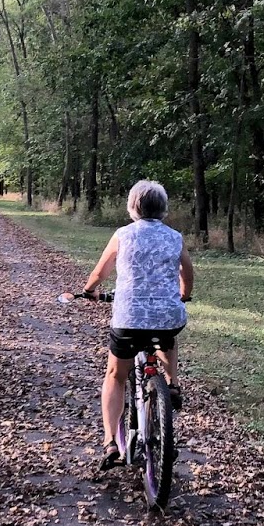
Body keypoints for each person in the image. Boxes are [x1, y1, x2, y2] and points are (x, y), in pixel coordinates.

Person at [77, 179, 194, 469]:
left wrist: (90, 290)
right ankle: (172, 383)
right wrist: (184, 295)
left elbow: (99, 272)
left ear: (132, 207)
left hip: (129, 318)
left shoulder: (123, 235)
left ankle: (109, 442)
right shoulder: (174, 237)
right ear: (164, 209)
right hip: (167, 316)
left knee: (116, 375)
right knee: (167, 337)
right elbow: (187, 272)